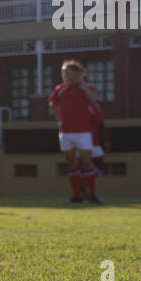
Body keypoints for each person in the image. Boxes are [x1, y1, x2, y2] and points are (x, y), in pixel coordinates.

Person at [48, 60, 102, 204]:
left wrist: (82, 82)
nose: (64, 74)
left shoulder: (86, 88)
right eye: (62, 71)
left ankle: (91, 195)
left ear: (76, 73)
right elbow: (53, 103)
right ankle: (77, 195)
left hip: (83, 131)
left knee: (87, 163)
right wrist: (58, 119)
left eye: (67, 71)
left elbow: (94, 98)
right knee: (71, 164)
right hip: (65, 132)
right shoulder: (60, 89)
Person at [85, 100, 109, 201]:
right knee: (89, 167)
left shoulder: (91, 106)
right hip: (89, 141)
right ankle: (89, 192)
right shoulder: (92, 107)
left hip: (89, 141)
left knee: (93, 167)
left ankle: (85, 187)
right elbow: (101, 124)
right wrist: (106, 140)